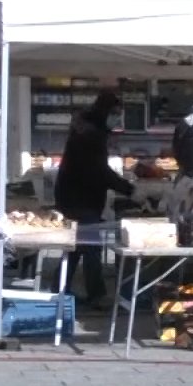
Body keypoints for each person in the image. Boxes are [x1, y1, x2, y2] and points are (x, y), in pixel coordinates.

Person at [54, 91, 136, 309]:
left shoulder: (86, 128)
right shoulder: (91, 134)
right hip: (80, 198)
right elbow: (98, 171)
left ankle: (59, 289)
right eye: (115, 114)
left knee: (74, 246)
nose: (117, 119)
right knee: (90, 246)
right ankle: (96, 295)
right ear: (105, 112)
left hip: (72, 195)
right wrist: (128, 189)